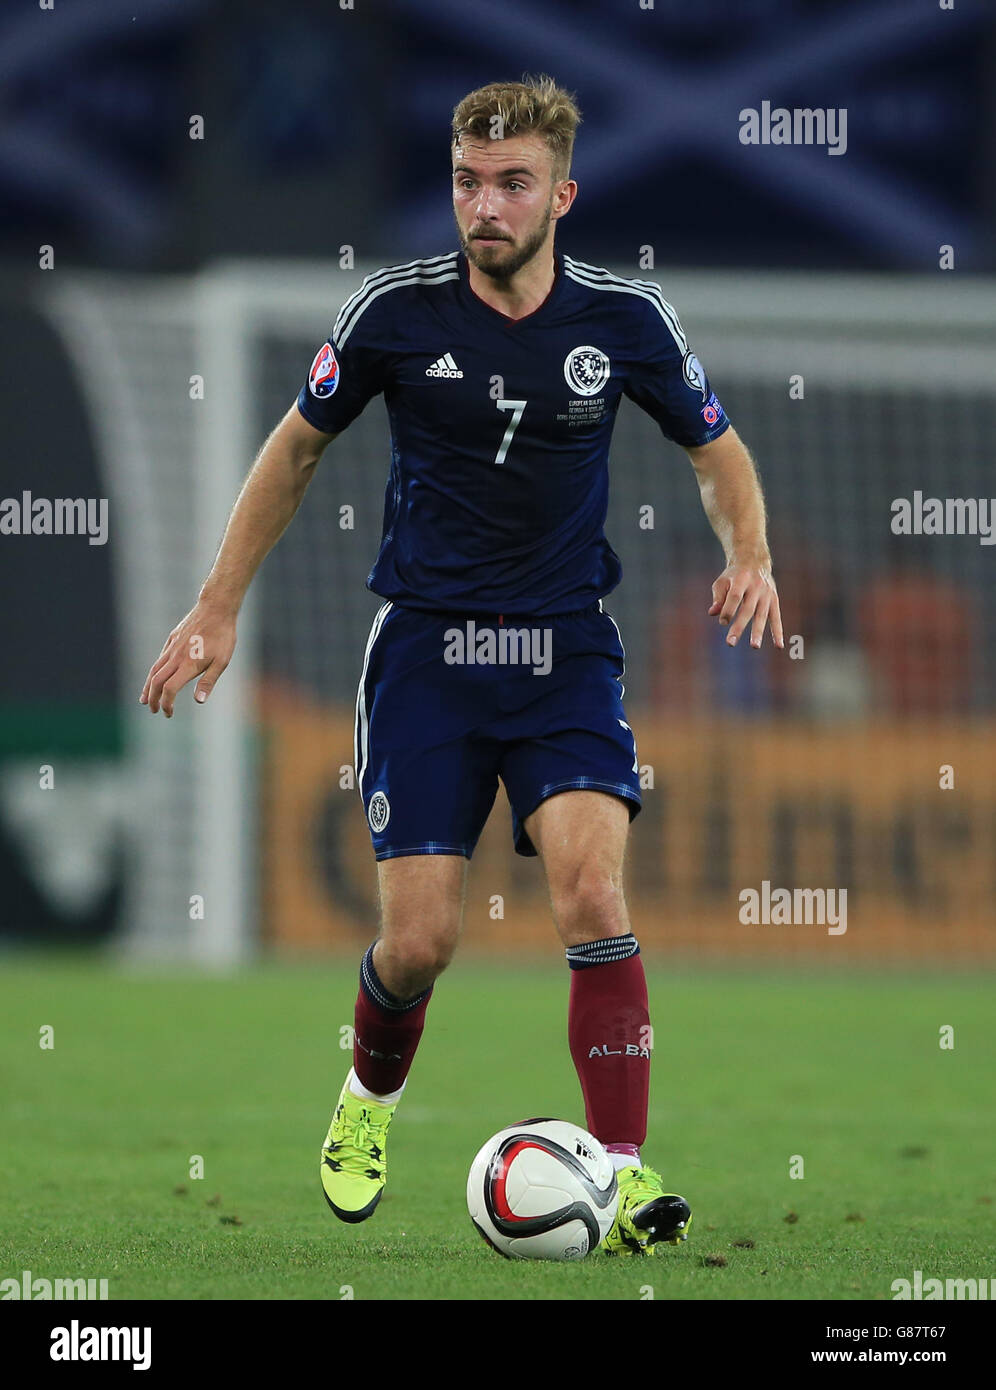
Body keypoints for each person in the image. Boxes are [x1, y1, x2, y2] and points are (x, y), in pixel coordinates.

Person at [140, 75, 783, 1256]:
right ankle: (369, 1100)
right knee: (420, 940)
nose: (485, 207)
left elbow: (720, 450)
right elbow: (293, 453)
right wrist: (218, 605)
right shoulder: (394, 310)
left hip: (565, 650)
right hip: (429, 652)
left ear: (562, 195)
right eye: (467, 184)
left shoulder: (625, 321)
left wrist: (750, 552)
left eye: (513, 185)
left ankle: (627, 1173)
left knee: (593, 890)